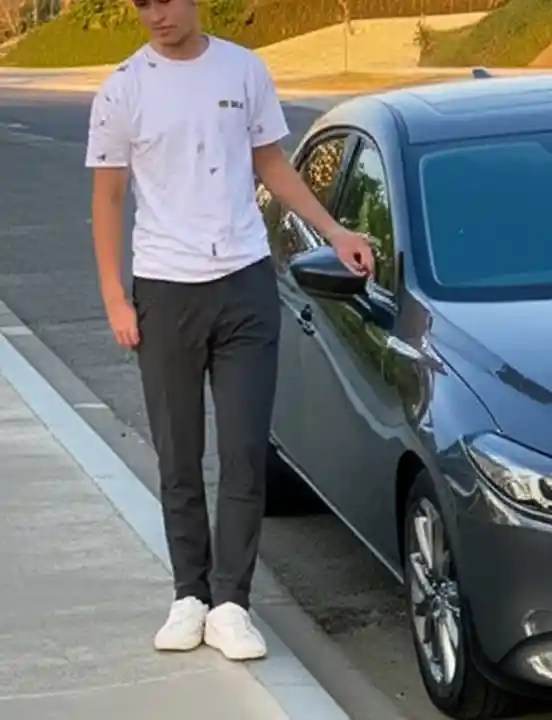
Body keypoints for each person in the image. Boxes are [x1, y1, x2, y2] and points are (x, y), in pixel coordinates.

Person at [86, 0, 373, 661]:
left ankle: (231, 604)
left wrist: (334, 232)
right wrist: (114, 297)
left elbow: (271, 162)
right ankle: (188, 595)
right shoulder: (123, 89)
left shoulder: (243, 70)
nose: (155, 14)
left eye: (164, 0)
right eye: (141, 4)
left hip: (245, 283)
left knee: (244, 452)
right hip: (164, 290)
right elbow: (107, 196)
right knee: (178, 455)